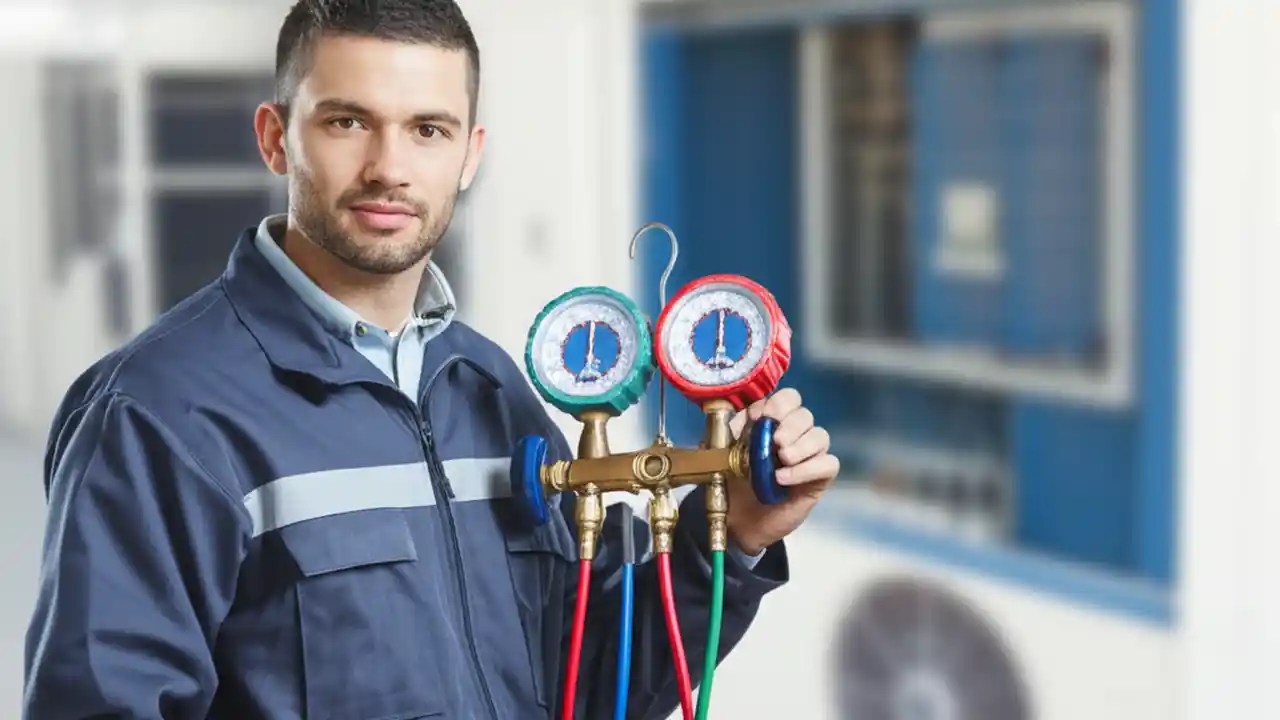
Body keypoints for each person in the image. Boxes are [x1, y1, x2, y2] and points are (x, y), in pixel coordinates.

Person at [22, 1, 839, 718]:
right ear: (276, 139)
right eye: (347, 121)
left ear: (469, 153)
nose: (389, 167)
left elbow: (593, 686)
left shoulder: (490, 389)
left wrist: (728, 535)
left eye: (427, 129)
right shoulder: (161, 409)